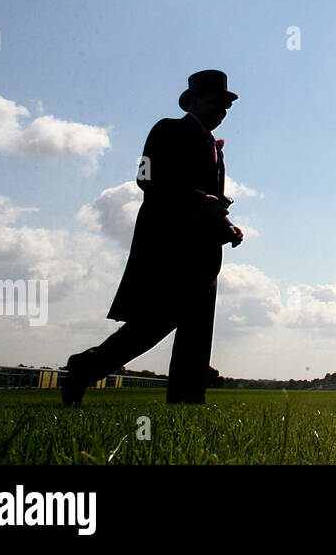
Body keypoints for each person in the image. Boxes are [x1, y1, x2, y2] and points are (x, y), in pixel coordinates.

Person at [61, 70, 244, 406]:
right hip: (170, 245)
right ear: (192, 102)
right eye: (216, 101)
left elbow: (211, 201)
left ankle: (187, 402)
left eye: (226, 105)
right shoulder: (167, 129)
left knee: (197, 329)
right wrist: (196, 199)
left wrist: (226, 226)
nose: (222, 110)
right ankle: (86, 367)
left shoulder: (217, 150)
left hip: (204, 250)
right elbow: (145, 178)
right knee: (155, 322)